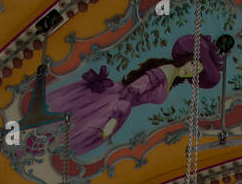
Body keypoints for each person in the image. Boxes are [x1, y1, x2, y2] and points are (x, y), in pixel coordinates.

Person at [47, 34, 226, 155]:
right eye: (194, 65)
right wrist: (112, 119)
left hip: (121, 105)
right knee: (84, 129)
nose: (192, 71)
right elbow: (134, 89)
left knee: (78, 126)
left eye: (197, 71)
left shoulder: (171, 76)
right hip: (116, 104)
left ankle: (49, 141)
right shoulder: (168, 70)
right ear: (188, 58)